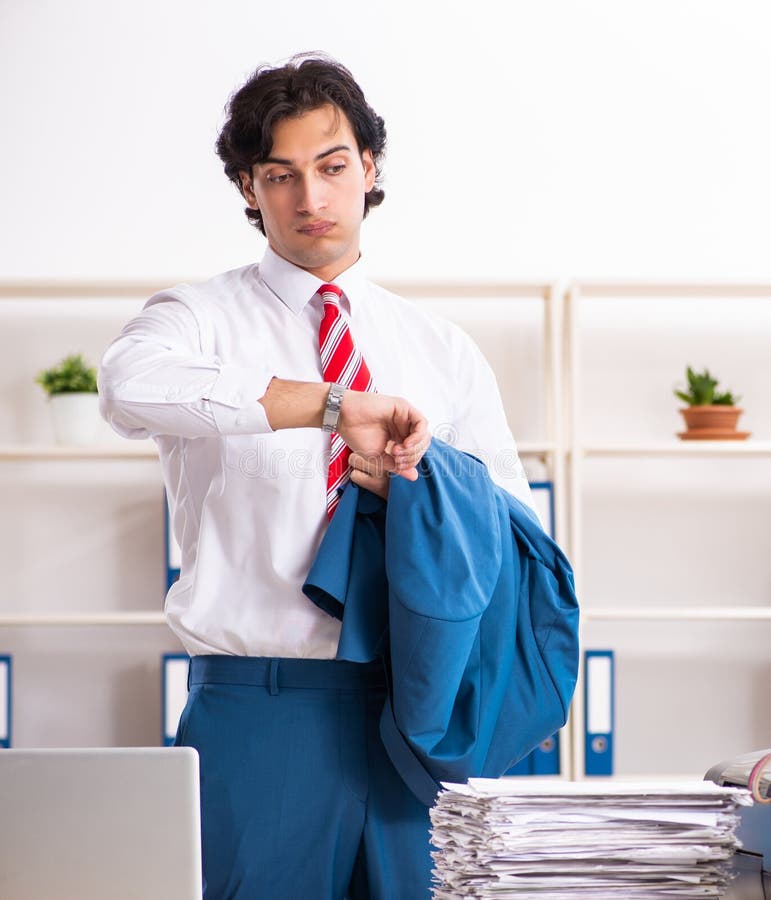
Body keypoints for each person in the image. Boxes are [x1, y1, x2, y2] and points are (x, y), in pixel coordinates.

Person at [98, 53, 535, 900]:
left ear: (368, 170)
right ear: (247, 188)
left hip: (414, 714)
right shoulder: (194, 319)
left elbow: (512, 524)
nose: (311, 198)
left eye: (332, 168)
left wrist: (419, 488)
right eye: (280, 174)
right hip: (260, 712)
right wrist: (333, 407)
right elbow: (129, 389)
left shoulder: (441, 348)